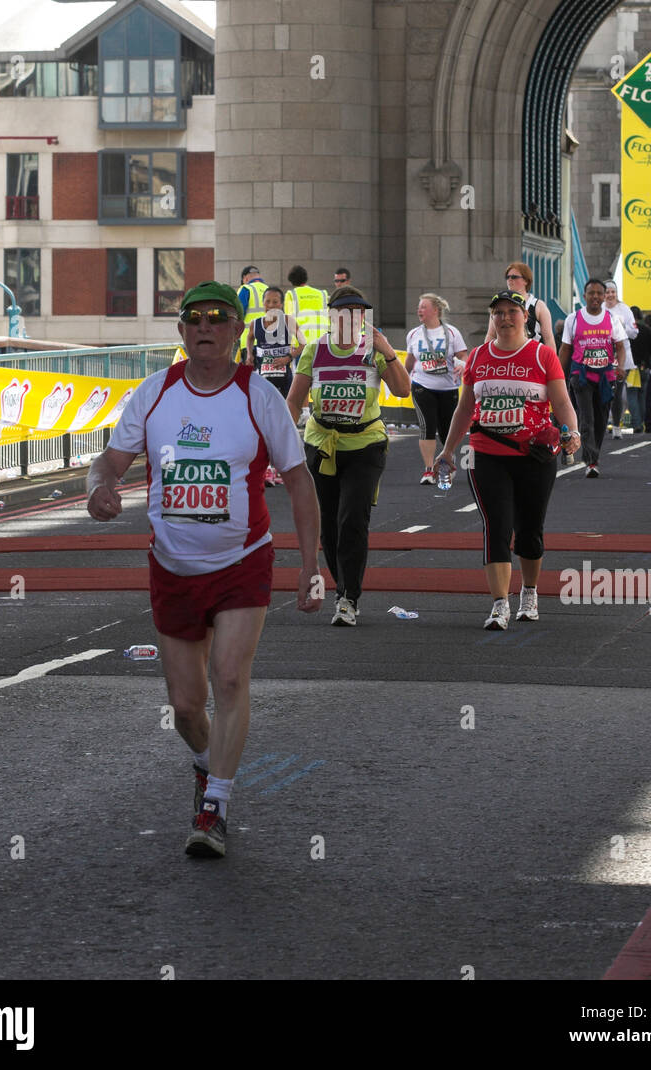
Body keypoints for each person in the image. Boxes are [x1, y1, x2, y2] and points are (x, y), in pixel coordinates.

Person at [86, 281, 322, 860]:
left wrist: (310, 567)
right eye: (195, 319)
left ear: (237, 332)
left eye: (218, 318)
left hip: (242, 561)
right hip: (172, 567)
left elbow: (298, 480)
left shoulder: (258, 396)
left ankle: (214, 805)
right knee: (187, 706)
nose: (206, 327)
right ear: (182, 332)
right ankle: (206, 762)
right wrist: (99, 489)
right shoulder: (155, 392)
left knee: (230, 677)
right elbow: (108, 462)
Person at [434, 289, 580, 631]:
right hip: (487, 452)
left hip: (534, 455)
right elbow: (465, 408)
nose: (504, 318)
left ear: (524, 316)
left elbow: (561, 403)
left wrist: (572, 433)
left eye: (511, 311)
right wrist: (448, 450)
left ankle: (529, 592)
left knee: (530, 530)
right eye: (498, 312)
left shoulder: (543, 355)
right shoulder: (479, 357)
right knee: (496, 526)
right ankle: (499, 603)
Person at [286, 285, 411, 626]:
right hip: (322, 444)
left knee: (352, 519)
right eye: (345, 312)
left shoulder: (372, 351)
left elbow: (403, 390)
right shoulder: (315, 349)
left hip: (365, 445)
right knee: (328, 526)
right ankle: (342, 586)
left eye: (358, 312)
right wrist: (285, 442)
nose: (351, 318)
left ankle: (347, 598)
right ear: (333, 315)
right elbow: (294, 400)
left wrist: (387, 350)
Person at [558, 278, 626, 477]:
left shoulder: (612, 319)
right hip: (581, 375)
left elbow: (620, 346)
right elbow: (566, 349)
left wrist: (620, 366)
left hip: (605, 376)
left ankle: (593, 454)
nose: (595, 297)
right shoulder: (574, 318)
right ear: (585, 295)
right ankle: (591, 461)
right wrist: (558, 376)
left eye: (599, 293)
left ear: (604, 296)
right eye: (591, 293)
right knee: (587, 417)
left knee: (601, 418)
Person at [245, 285, 306, 484]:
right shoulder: (256, 324)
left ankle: (285, 466)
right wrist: (249, 354)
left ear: (281, 304)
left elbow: (303, 343)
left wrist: (288, 358)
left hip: (284, 380)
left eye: (275, 302)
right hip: (264, 381)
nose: (271, 305)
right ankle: (266, 469)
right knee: (263, 425)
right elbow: (249, 337)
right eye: (268, 301)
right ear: (263, 303)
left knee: (284, 424)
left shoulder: (288, 322)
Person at [404, 293, 467, 485]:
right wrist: (400, 381)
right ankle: (429, 470)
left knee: (447, 429)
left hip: (448, 387)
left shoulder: (452, 333)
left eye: (423, 307)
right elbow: (408, 363)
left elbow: (464, 356)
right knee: (427, 427)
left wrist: (462, 365)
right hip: (422, 386)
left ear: (435, 310)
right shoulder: (414, 334)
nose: (419, 310)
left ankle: (448, 457)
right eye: (419, 307)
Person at [483, 262, 556, 353]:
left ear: (526, 280)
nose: (510, 280)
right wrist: (487, 355)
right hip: (505, 355)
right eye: (507, 277)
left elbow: (548, 338)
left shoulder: (538, 306)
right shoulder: (499, 305)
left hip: (531, 354)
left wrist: (552, 361)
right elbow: (491, 335)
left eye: (514, 277)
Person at [604, 281, 638, 437]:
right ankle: (602, 422)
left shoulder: (624, 309)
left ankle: (616, 426)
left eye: (613, 292)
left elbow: (634, 333)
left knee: (617, 391)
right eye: (608, 292)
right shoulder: (598, 309)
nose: (611, 295)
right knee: (602, 390)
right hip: (603, 355)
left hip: (621, 356)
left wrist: (624, 327)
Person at [627, 305, 651, 434]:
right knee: (642, 395)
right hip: (645, 367)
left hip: (632, 367)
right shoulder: (647, 330)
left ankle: (637, 423)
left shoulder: (628, 331)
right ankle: (641, 422)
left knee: (631, 394)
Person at [285, 265, 328, 347]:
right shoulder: (322, 294)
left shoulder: (291, 294)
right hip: (322, 341)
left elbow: (289, 321)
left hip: (302, 344)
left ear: (291, 281)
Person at [236, 266, 268, 359]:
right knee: (264, 372)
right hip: (269, 342)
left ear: (245, 278)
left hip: (249, 342)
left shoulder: (246, 288)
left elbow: (239, 313)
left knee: (247, 372)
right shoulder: (269, 289)